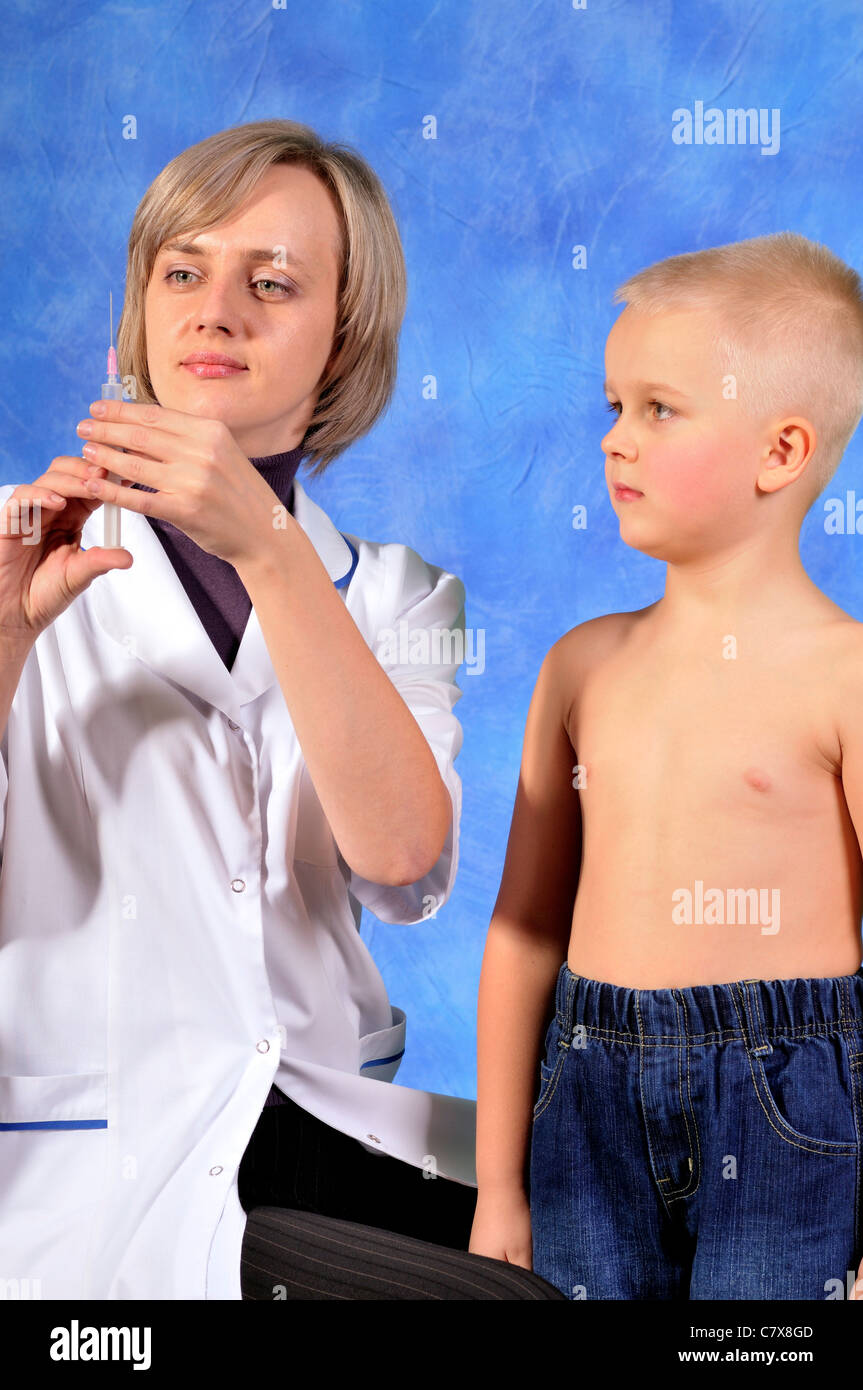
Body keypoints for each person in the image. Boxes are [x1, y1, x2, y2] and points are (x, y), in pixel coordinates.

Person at [0, 119, 562, 1300]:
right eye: (182, 271)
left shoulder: (404, 595)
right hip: (96, 1156)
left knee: (614, 1245)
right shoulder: (16, 553)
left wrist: (266, 547)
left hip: (314, 1125)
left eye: (272, 282)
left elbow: (405, 865)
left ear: (343, 337)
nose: (215, 311)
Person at [470, 231, 863, 1301]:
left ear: (779, 452)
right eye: (611, 407)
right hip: (583, 1087)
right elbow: (522, 930)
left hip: (784, 1109)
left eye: (658, 409)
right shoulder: (579, 666)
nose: (614, 441)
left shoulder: (844, 676)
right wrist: (496, 1184)